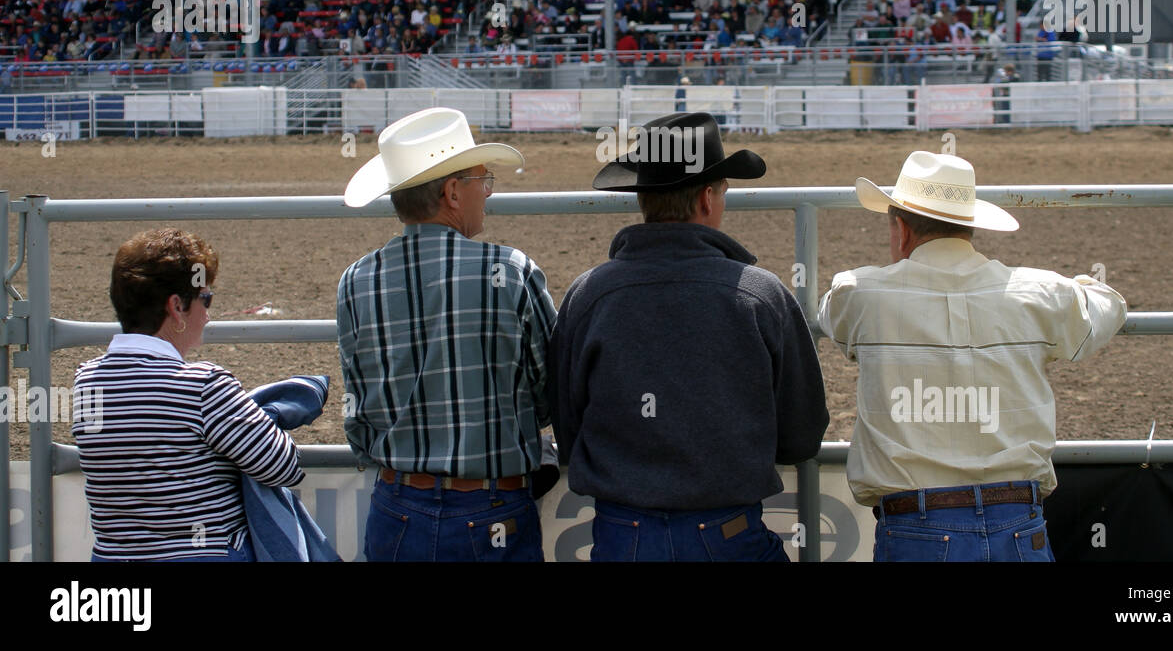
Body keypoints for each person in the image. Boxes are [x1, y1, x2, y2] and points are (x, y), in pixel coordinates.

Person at [818, 152, 1127, 562]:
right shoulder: (1040, 294)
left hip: (915, 527)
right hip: (1018, 520)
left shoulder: (859, 293)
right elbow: (1109, 307)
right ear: (971, 227)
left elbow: (830, 315)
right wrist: (1076, 284)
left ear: (901, 229)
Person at [548, 112, 829, 562]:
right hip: (728, 530)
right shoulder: (762, 295)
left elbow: (568, 421)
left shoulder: (589, 295)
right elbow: (802, 435)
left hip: (622, 531)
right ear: (706, 200)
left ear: (642, 199)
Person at [338, 107, 557, 562]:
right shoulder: (510, 270)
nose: (488, 192)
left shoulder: (357, 280)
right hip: (493, 503)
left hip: (397, 506)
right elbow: (548, 392)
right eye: (483, 180)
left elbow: (358, 409)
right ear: (452, 192)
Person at [73, 229, 304, 561]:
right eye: (205, 299)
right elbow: (284, 466)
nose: (208, 313)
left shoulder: (87, 381)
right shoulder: (204, 386)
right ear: (176, 306)